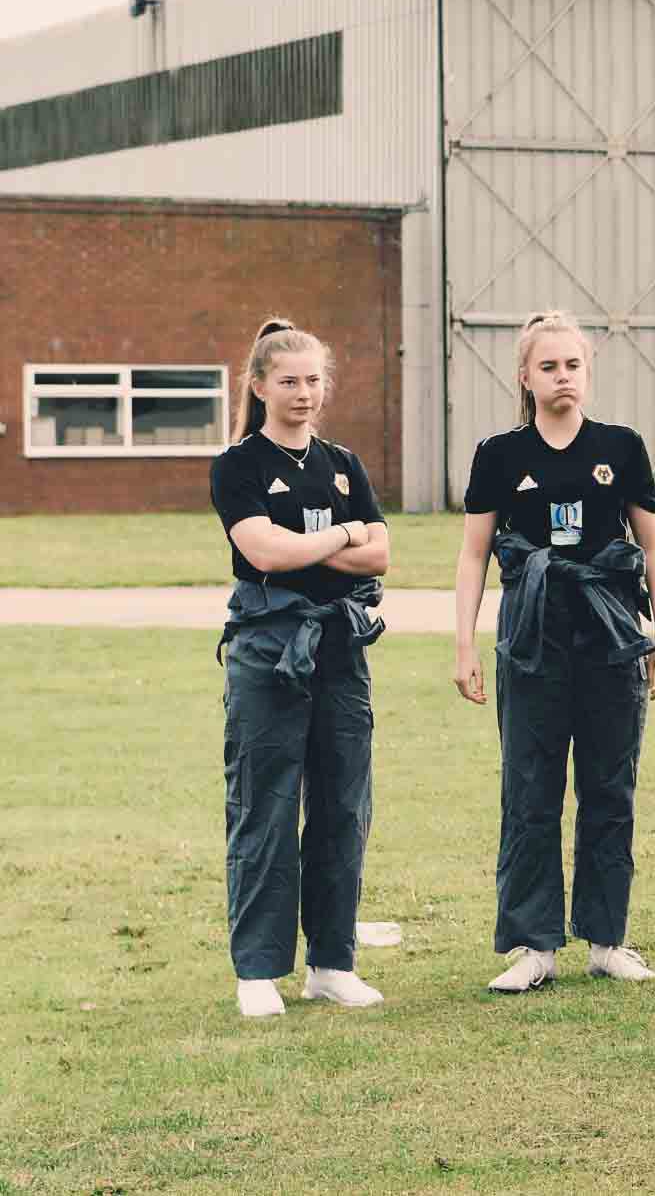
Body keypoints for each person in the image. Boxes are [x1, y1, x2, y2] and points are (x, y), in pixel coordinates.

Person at [453, 311, 655, 993]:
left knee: (611, 785)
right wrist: (464, 644)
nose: (562, 377)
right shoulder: (499, 453)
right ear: (524, 375)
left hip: (609, 634)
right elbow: (473, 555)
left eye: (573, 365)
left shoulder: (623, 446)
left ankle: (607, 939)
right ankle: (534, 944)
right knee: (530, 787)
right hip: (532, 635)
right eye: (548, 366)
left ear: (588, 371)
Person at [211, 318, 391, 1017]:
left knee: (344, 806)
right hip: (268, 651)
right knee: (265, 804)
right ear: (259, 386)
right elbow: (265, 554)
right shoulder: (239, 465)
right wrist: (345, 533)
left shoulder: (343, 463)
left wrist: (319, 539)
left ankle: (331, 962)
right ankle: (257, 971)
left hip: (340, 649)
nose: (304, 393)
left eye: (314, 380)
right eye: (289, 381)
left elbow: (381, 555)